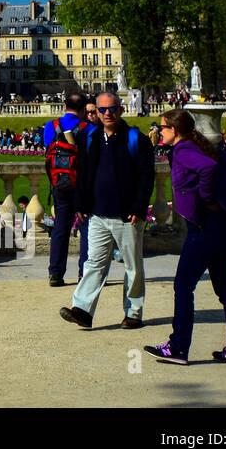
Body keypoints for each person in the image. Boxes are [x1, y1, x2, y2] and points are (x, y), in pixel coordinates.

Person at [144, 110, 226, 366]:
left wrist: (208, 198)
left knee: (183, 287)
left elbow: (208, 168)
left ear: (175, 130)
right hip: (222, 227)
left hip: (204, 229)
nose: (160, 131)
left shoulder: (183, 150)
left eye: (163, 127)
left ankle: (178, 347)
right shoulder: (198, 145)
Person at [60, 92, 154, 330]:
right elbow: (82, 174)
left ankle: (133, 312)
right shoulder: (90, 137)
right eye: (102, 110)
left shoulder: (136, 139)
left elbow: (146, 178)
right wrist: (80, 203)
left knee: (132, 266)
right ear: (97, 113)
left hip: (126, 215)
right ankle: (82, 310)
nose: (107, 113)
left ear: (121, 110)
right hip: (98, 213)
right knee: (94, 264)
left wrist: (139, 207)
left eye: (111, 109)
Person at [43, 92, 92, 287]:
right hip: (81, 185)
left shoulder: (51, 126)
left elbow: (48, 151)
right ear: (82, 110)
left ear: (64, 106)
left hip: (59, 183)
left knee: (60, 229)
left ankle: (55, 273)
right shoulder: (87, 128)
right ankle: (84, 273)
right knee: (85, 229)